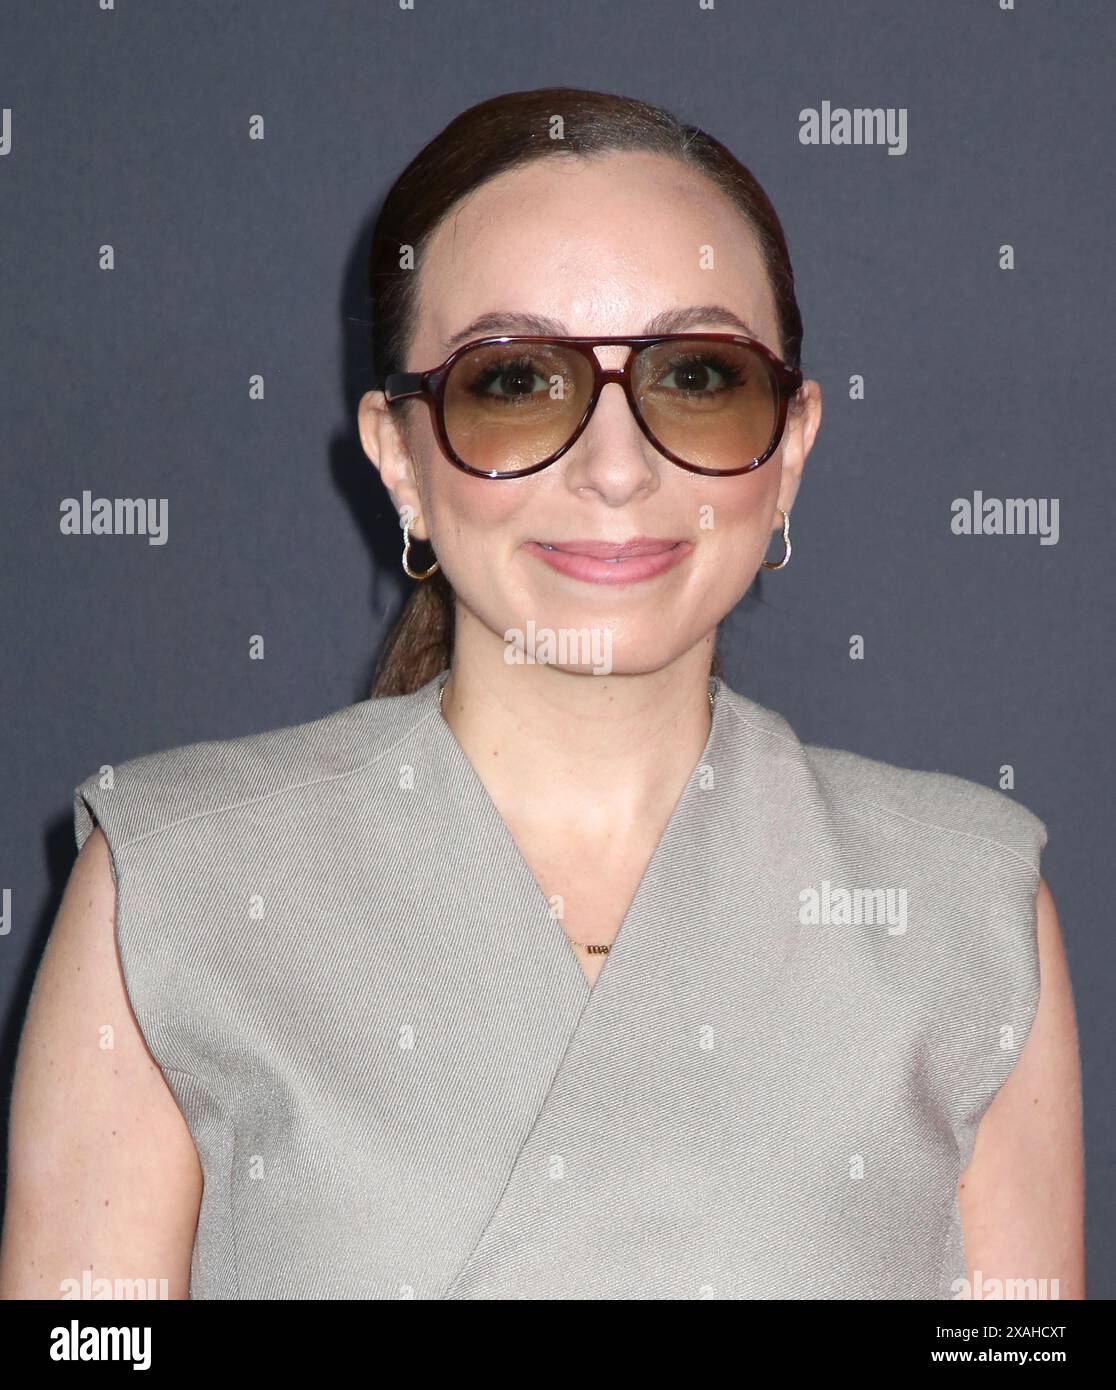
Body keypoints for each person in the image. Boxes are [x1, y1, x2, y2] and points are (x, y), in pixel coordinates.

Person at [0, 87, 1083, 1300]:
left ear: (789, 451)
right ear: (399, 456)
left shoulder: (963, 906)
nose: (615, 468)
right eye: (514, 382)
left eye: (697, 376)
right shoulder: (174, 888)